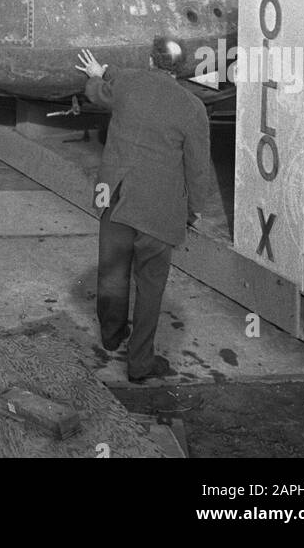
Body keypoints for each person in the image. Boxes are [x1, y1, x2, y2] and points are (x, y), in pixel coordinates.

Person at [76, 35, 211, 383]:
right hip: (159, 212)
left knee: (112, 272)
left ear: (150, 61)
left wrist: (97, 73)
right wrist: (193, 211)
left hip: (116, 198)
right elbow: (197, 170)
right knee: (150, 288)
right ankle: (139, 363)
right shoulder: (193, 108)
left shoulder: (128, 85)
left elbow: (96, 92)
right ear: (181, 70)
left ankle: (110, 336)